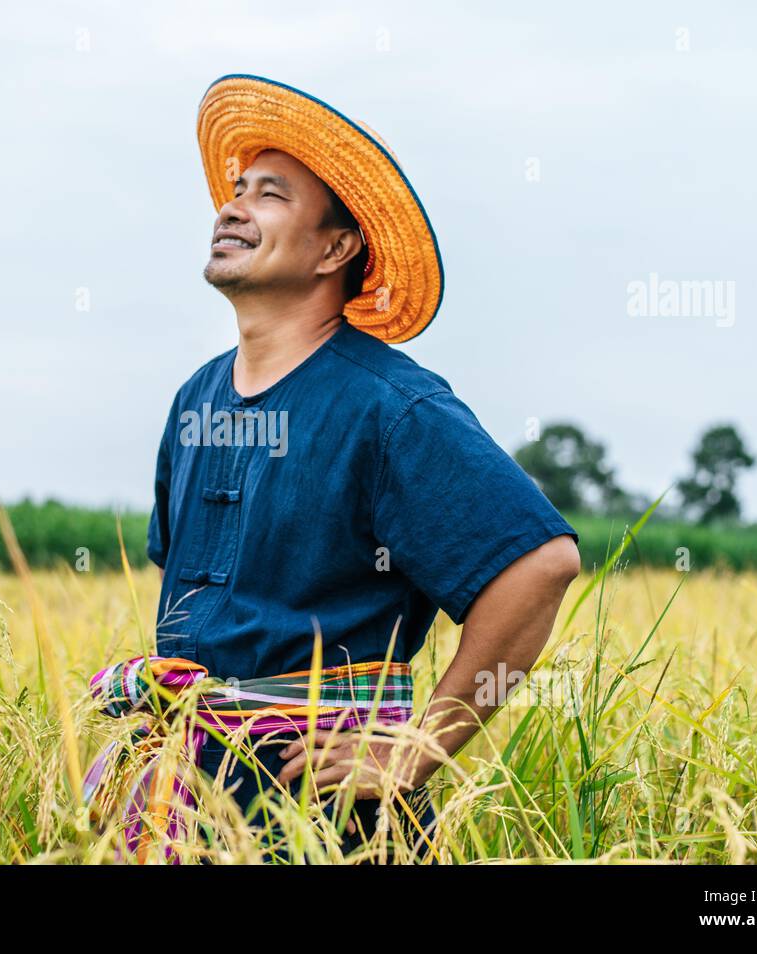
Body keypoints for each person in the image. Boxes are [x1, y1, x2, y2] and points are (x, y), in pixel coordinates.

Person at [97, 75, 581, 864]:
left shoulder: (393, 408)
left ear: (336, 247)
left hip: (326, 812)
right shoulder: (196, 397)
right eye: (236, 190)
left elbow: (541, 563)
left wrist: (423, 745)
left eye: (270, 195)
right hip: (182, 796)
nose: (232, 207)